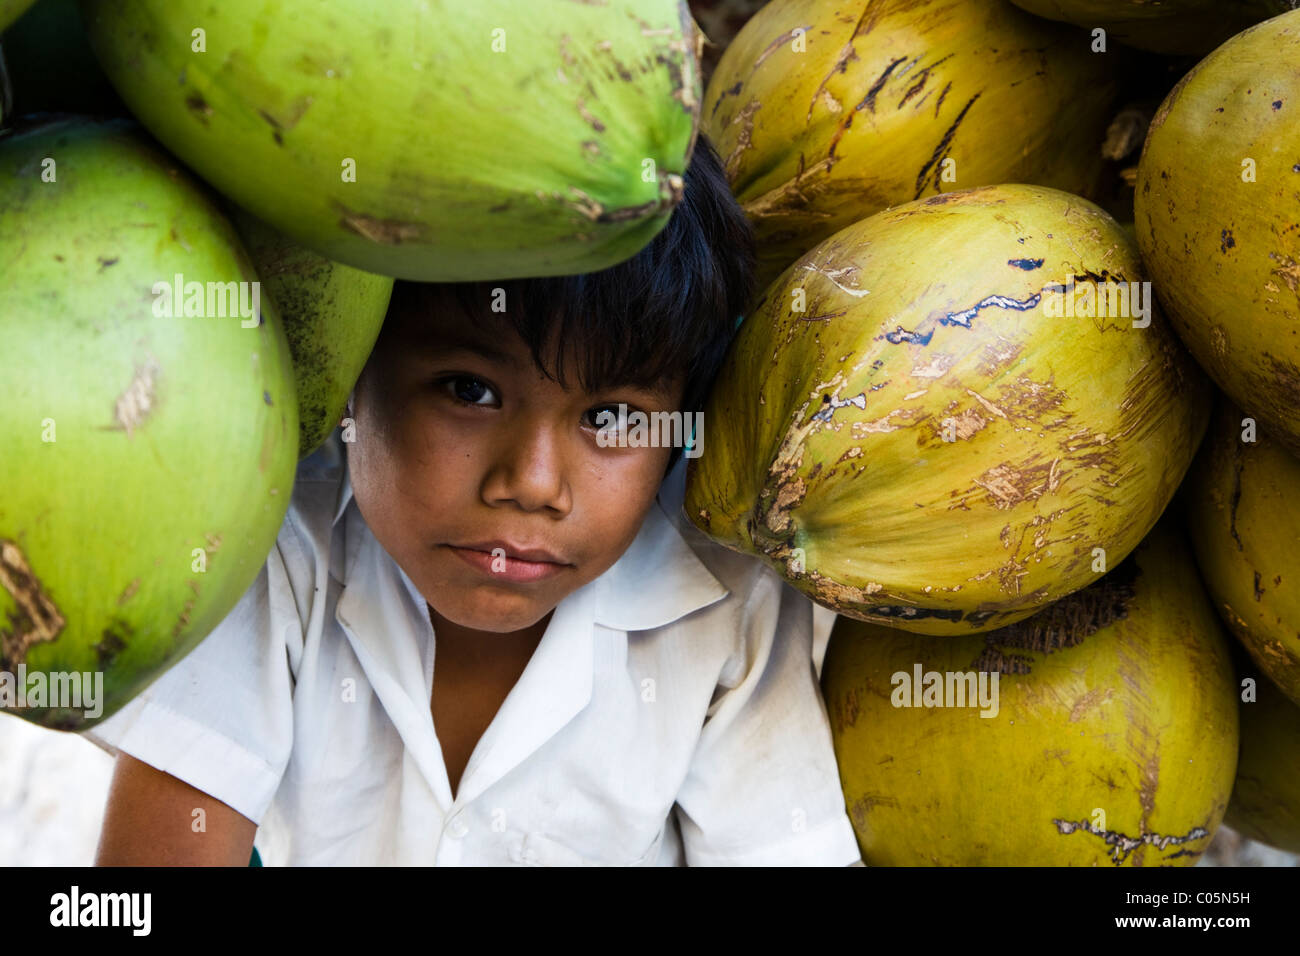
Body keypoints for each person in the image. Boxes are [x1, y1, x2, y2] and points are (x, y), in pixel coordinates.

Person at [83, 135, 863, 866]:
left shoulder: (729, 606)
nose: (531, 483)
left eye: (612, 419)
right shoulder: (272, 545)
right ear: (351, 364)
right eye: (470, 390)